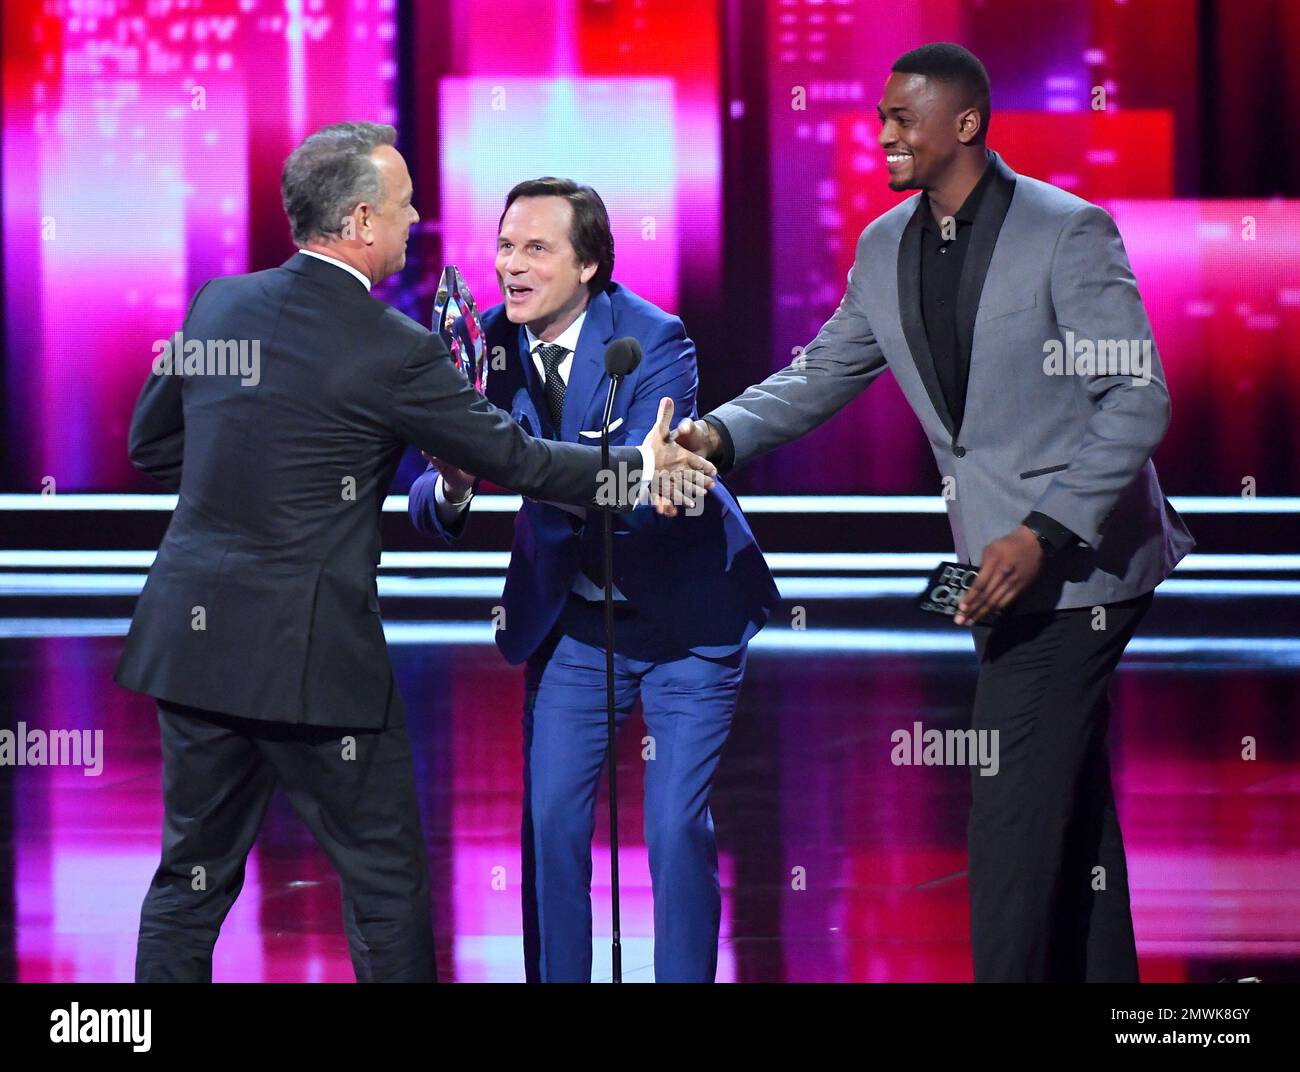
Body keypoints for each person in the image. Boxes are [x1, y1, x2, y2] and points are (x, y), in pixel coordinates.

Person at [115, 123, 713, 983]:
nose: (415, 218)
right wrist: (639, 466)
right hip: (314, 661)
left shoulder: (220, 303)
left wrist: (255, 475)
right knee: (385, 882)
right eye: (402, 206)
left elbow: (151, 446)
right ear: (361, 220)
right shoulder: (395, 348)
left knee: (190, 879)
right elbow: (520, 461)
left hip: (193, 646)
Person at [674, 43, 1195, 982]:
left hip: (1085, 564)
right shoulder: (885, 246)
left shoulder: (1067, 230)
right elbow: (822, 372)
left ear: (965, 125)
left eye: (901, 119)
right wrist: (717, 435)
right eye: (879, 118)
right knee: (1065, 806)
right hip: (992, 564)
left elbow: (1139, 398)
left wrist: (1044, 533)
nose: (881, 135)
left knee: (1007, 807)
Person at [410, 178, 779, 982]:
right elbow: (429, 498)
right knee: (550, 821)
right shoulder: (486, 349)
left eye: (536, 249)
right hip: (576, 620)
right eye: (505, 246)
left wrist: (610, 473)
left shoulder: (651, 340)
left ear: (589, 268)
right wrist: (457, 483)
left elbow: (653, 488)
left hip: (687, 618)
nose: (512, 265)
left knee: (676, 825)